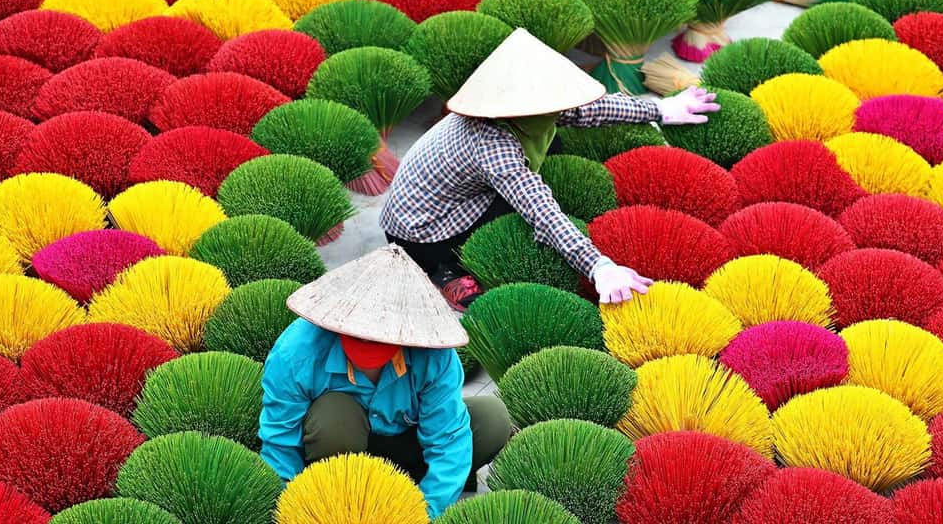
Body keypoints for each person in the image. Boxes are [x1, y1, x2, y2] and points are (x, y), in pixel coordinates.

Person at [381, 28, 720, 310]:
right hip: (423, 231)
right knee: (518, 218)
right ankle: (443, 270)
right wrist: (599, 266)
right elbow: (542, 212)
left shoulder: (527, 109)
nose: (563, 105)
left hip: (456, 195)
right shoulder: (492, 145)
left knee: (554, 144)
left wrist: (661, 109)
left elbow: (591, 110)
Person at [259, 245, 511, 519]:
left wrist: (422, 512)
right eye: (360, 336)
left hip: (408, 445)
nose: (369, 343)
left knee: (491, 419)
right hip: (340, 451)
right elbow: (280, 442)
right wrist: (298, 507)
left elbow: (448, 440)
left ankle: (408, 487)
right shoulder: (297, 351)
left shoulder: (434, 357)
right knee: (334, 415)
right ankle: (344, 496)